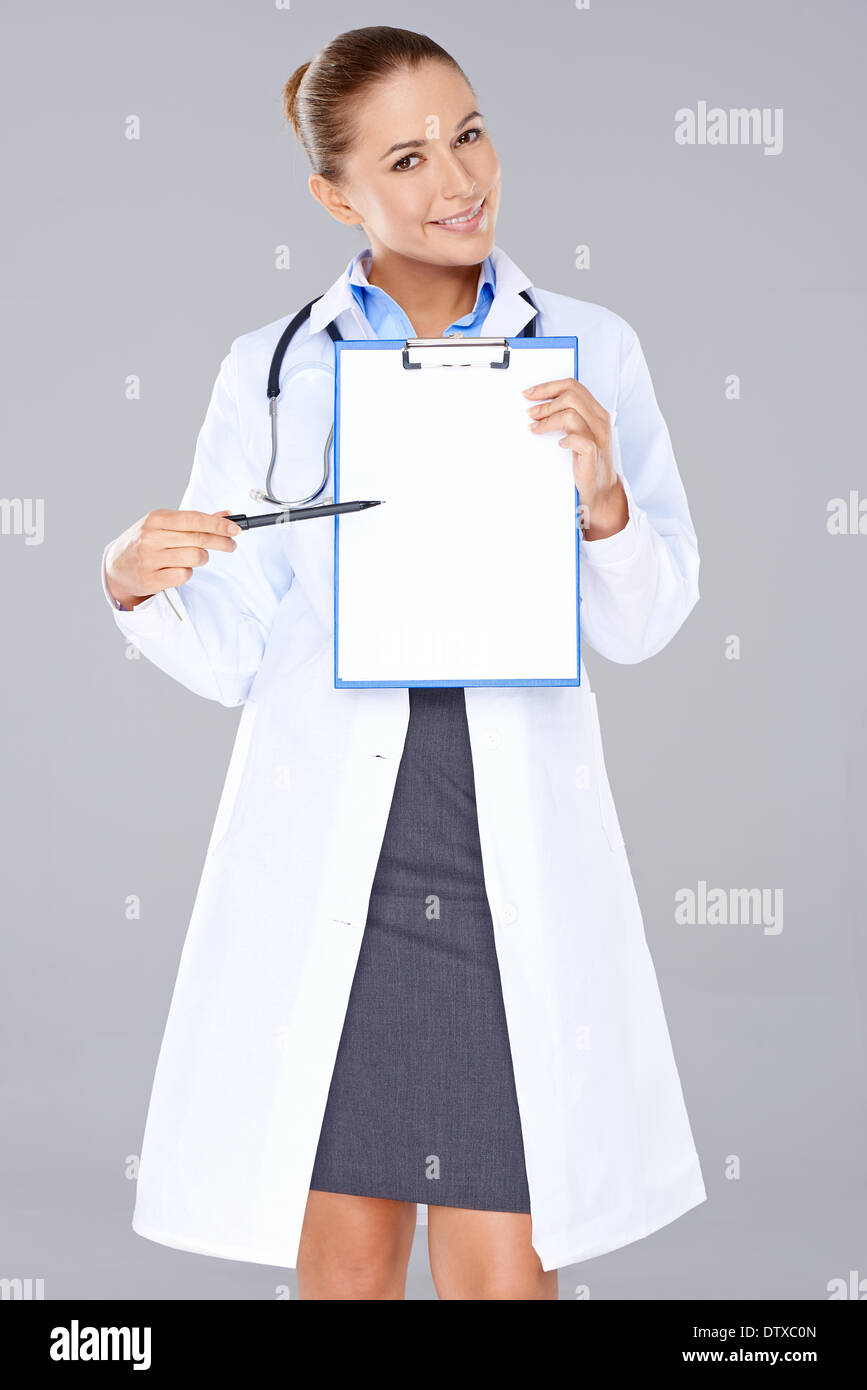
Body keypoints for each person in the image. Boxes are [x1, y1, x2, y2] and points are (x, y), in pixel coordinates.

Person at [102, 25, 706, 1301]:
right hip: (342, 850)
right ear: (337, 197)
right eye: (410, 157)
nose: (459, 180)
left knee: (501, 1268)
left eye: (470, 133)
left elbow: (648, 622)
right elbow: (227, 653)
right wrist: (133, 582)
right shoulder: (273, 371)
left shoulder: (591, 347)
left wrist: (602, 499)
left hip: (502, 852)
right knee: (351, 1261)